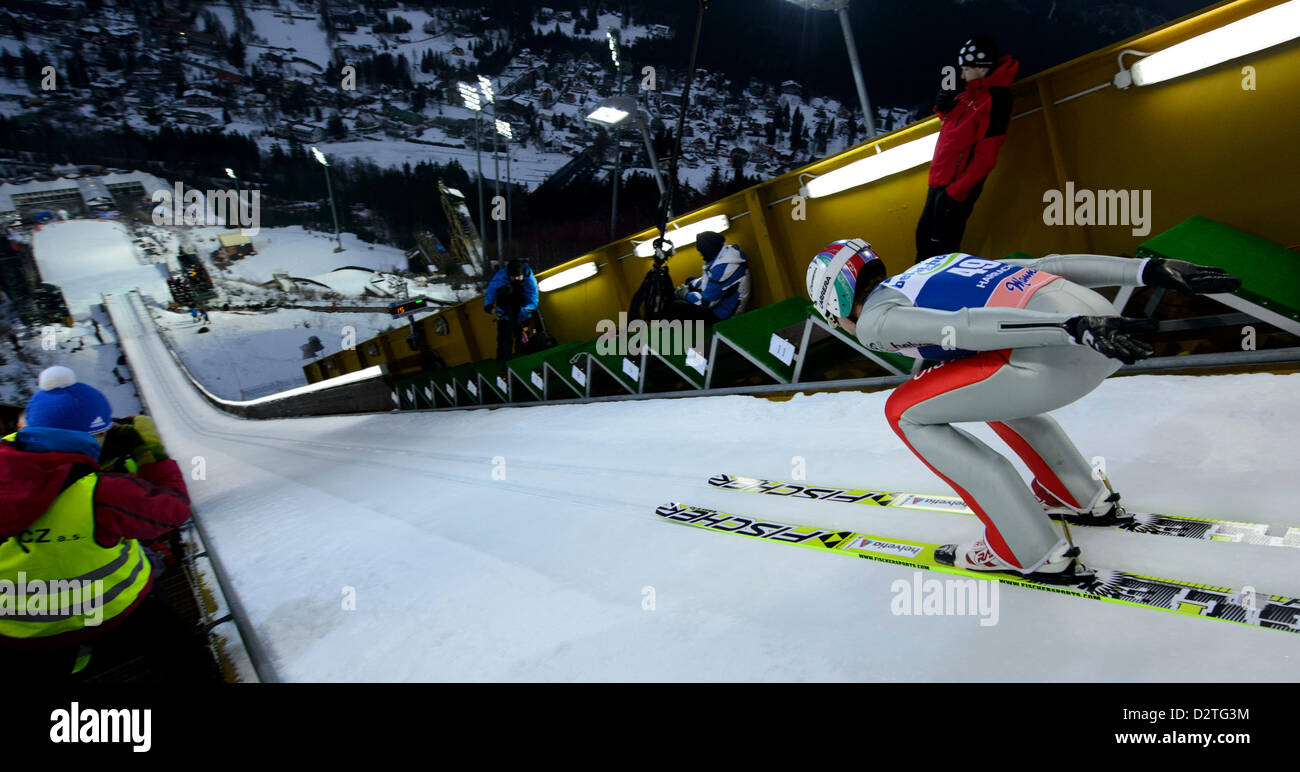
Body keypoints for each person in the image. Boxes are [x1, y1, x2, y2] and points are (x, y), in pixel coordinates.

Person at [805, 240, 1240, 580]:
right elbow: (1052, 266)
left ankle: (1024, 546)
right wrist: (1146, 270)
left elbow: (965, 325)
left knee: (904, 411)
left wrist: (1069, 330)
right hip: (1102, 330)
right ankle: (1073, 493)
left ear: (835, 304)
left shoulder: (874, 323)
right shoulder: (933, 266)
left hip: (1062, 352)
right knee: (972, 378)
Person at [0, 366, 198, 679]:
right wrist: (154, 457)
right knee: (181, 652)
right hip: (116, 613)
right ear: (94, 436)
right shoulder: (100, 492)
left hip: (19, 634)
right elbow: (173, 510)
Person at [915, 37, 1019, 263]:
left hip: (955, 189)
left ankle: (942, 297)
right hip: (939, 182)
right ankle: (920, 294)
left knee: (942, 250)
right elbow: (954, 130)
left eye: (965, 69)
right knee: (924, 241)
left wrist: (954, 192)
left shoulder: (997, 99)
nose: (961, 76)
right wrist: (942, 108)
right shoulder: (968, 93)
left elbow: (986, 156)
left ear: (981, 67)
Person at [667, 231, 751, 323]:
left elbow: (707, 302)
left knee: (677, 306)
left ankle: (664, 331)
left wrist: (686, 295)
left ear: (709, 249)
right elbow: (708, 279)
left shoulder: (722, 269)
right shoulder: (724, 254)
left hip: (725, 315)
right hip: (723, 301)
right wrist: (689, 286)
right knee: (690, 280)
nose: (700, 254)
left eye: (701, 251)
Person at [484, 259, 540, 362]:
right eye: (513, 277)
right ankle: (503, 361)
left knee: (522, 338)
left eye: (518, 277)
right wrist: (489, 306)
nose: (516, 279)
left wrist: (523, 311)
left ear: (522, 274)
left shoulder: (529, 280)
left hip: (522, 312)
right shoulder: (501, 276)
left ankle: (523, 356)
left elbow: (533, 301)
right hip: (505, 312)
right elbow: (491, 290)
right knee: (505, 340)